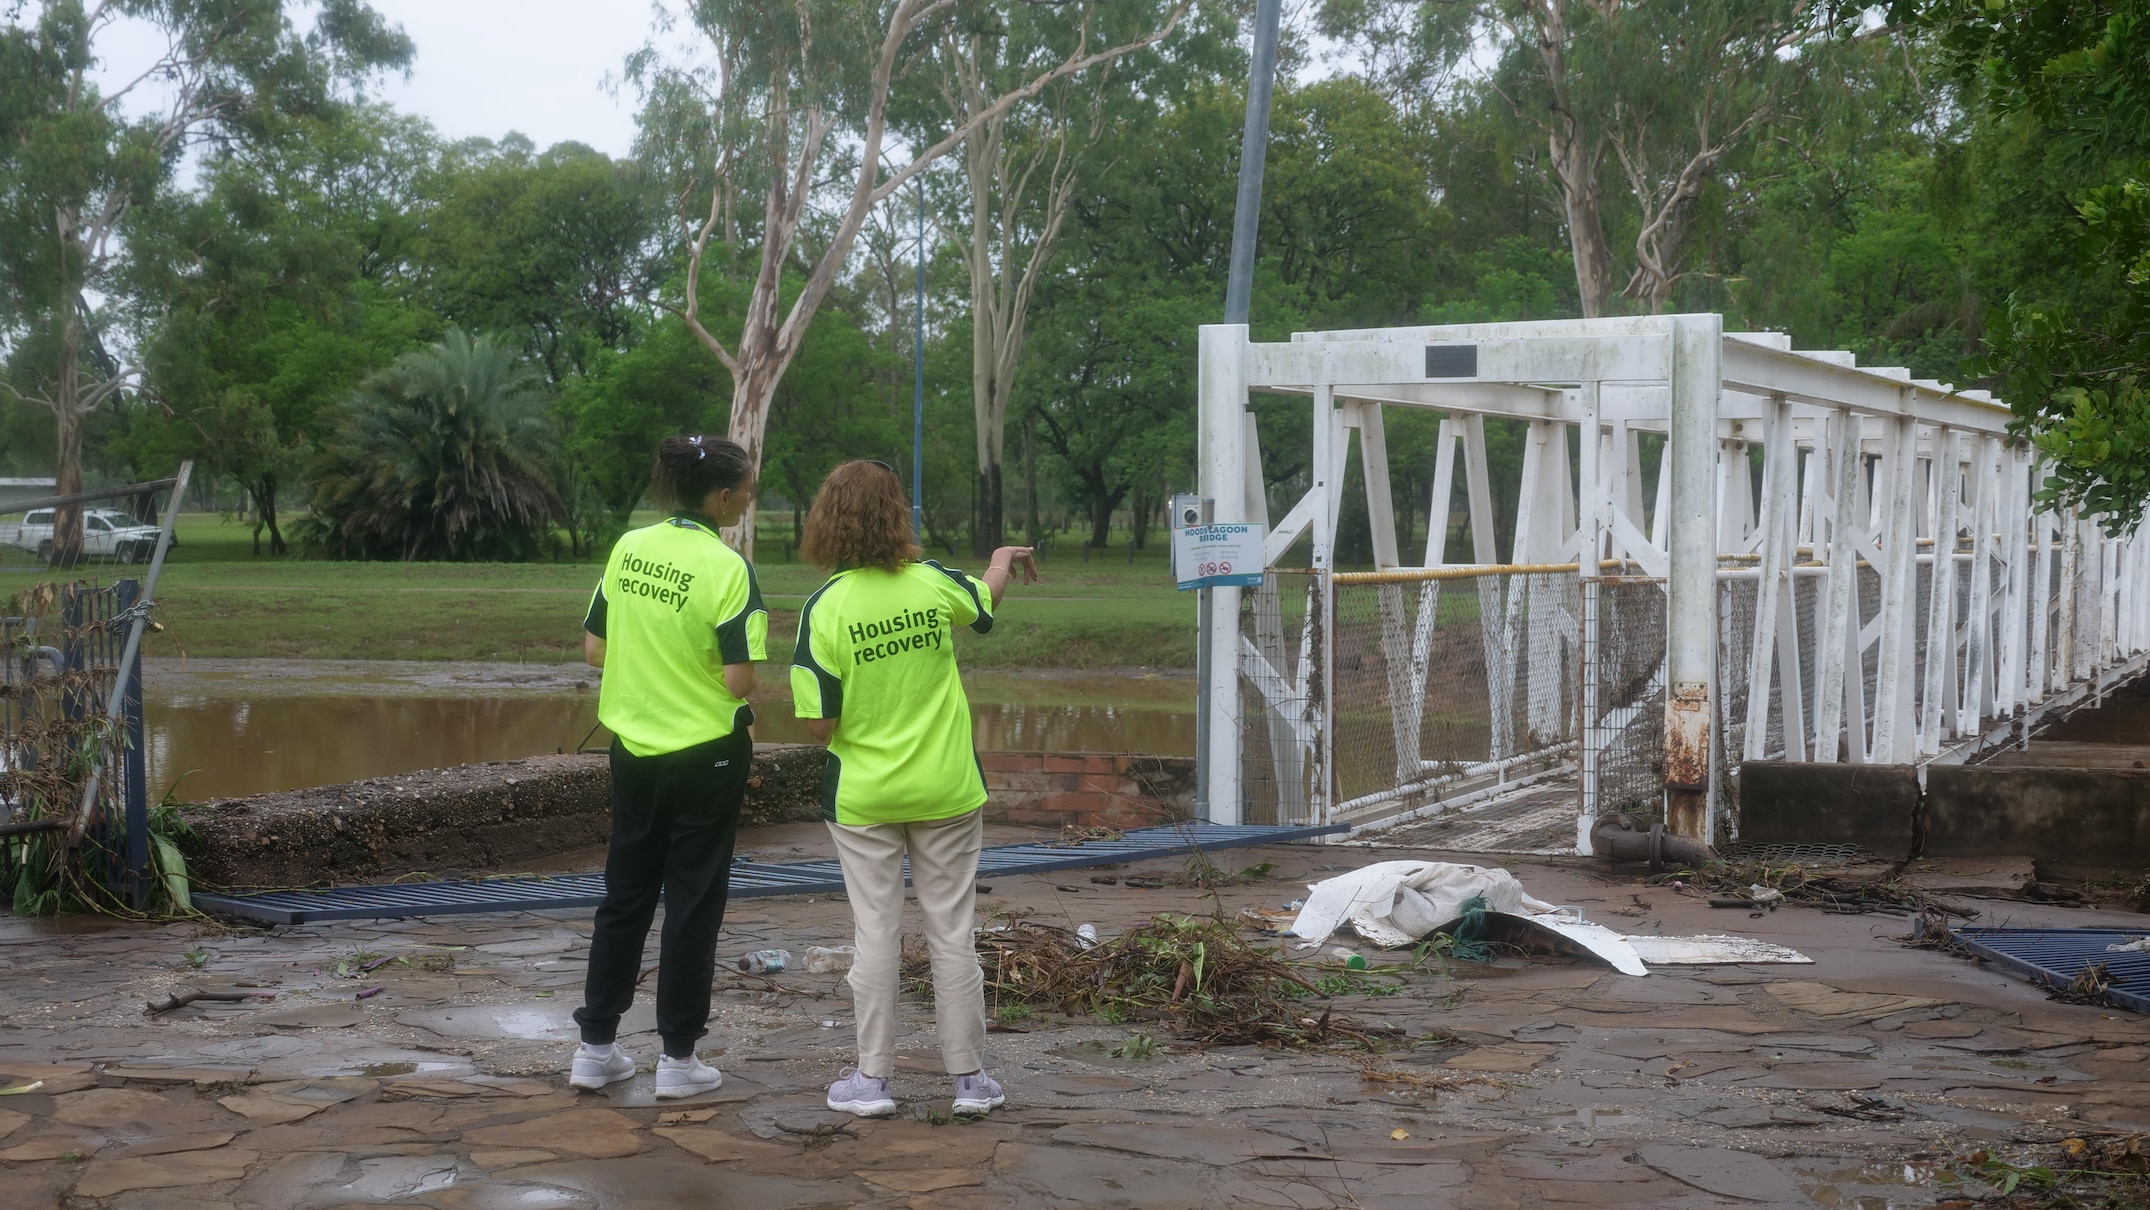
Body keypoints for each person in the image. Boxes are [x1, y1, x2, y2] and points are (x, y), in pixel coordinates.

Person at [789, 460, 1037, 1117]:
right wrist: (1001, 560)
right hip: (947, 789)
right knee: (952, 932)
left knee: (875, 933)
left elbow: (817, 722)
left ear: (826, 521)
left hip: (864, 797)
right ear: (897, 515)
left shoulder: (825, 607)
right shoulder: (932, 584)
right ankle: (970, 1082)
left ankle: (872, 1082)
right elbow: (982, 602)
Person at [567, 435, 765, 1100]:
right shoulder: (728, 568)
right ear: (722, 497)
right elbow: (739, 680)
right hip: (707, 753)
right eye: (747, 489)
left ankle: (595, 1048)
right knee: (692, 903)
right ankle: (678, 1061)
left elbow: (595, 650)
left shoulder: (628, 548)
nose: (751, 498)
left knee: (624, 895)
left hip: (633, 749)